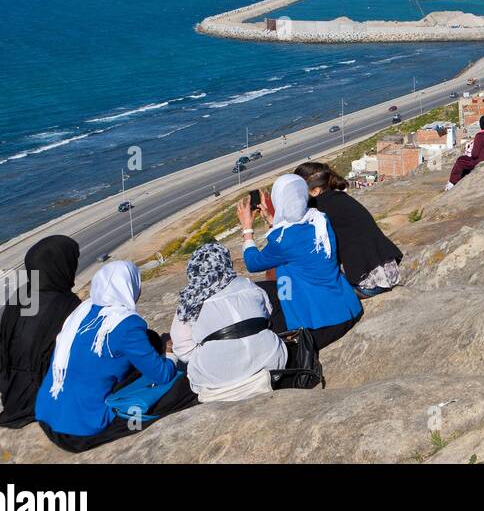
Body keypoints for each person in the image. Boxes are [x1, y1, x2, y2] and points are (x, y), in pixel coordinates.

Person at [34, 260, 194, 453]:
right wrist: (169, 353)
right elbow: (163, 375)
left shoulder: (81, 311)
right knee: (185, 384)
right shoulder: (127, 325)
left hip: (47, 415)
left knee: (144, 343)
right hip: (81, 430)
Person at [240, 174, 363, 350]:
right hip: (348, 310)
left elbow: (252, 263)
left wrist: (247, 228)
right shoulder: (320, 220)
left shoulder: (284, 240)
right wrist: (272, 220)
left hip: (319, 327)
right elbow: (297, 246)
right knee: (285, 275)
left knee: (263, 294)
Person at [169, 243, 287, 402]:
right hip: (271, 363)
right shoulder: (248, 285)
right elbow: (267, 313)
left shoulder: (189, 302)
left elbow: (183, 351)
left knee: (186, 364)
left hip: (218, 382)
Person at [0, 235, 81, 428]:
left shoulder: (20, 298)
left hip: (11, 391)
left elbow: (3, 347)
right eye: (72, 261)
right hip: (43, 395)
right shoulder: (67, 305)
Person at [294, 161, 403, 298]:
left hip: (368, 285)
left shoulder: (320, 211)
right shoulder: (340, 198)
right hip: (389, 275)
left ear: (315, 191)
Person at [446, 114, 484, 188]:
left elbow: (474, 154)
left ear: (481, 124)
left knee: (461, 160)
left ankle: (451, 183)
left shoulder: (480, 136)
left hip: (483, 161)